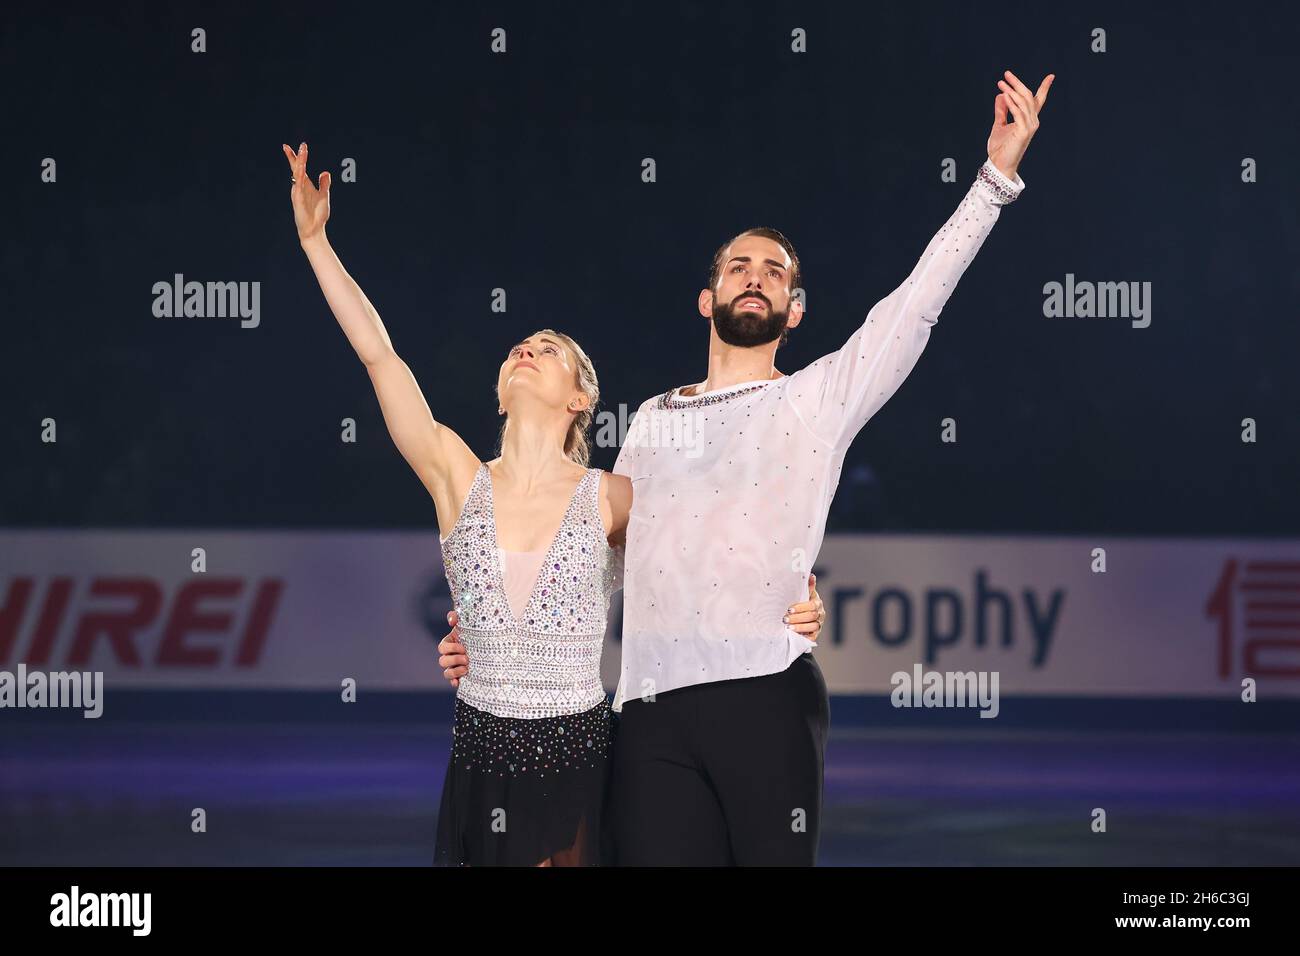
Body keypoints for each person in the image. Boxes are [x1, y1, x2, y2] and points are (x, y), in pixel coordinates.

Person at [440, 69, 1053, 865]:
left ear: (795, 311)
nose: (755, 277)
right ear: (707, 299)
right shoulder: (652, 422)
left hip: (765, 696)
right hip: (649, 714)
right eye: (738, 266)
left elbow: (916, 303)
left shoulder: (816, 401)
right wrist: (489, 641)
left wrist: (994, 180)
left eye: (774, 272)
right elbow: (596, 567)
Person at [281, 142, 826, 867]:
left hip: (575, 761)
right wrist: (317, 242)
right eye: (518, 347)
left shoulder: (613, 496)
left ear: (580, 400)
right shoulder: (456, 477)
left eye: (548, 347)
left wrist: (793, 598)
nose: (525, 349)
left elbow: (720, 544)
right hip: (477, 757)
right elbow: (380, 357)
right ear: (500, 388)